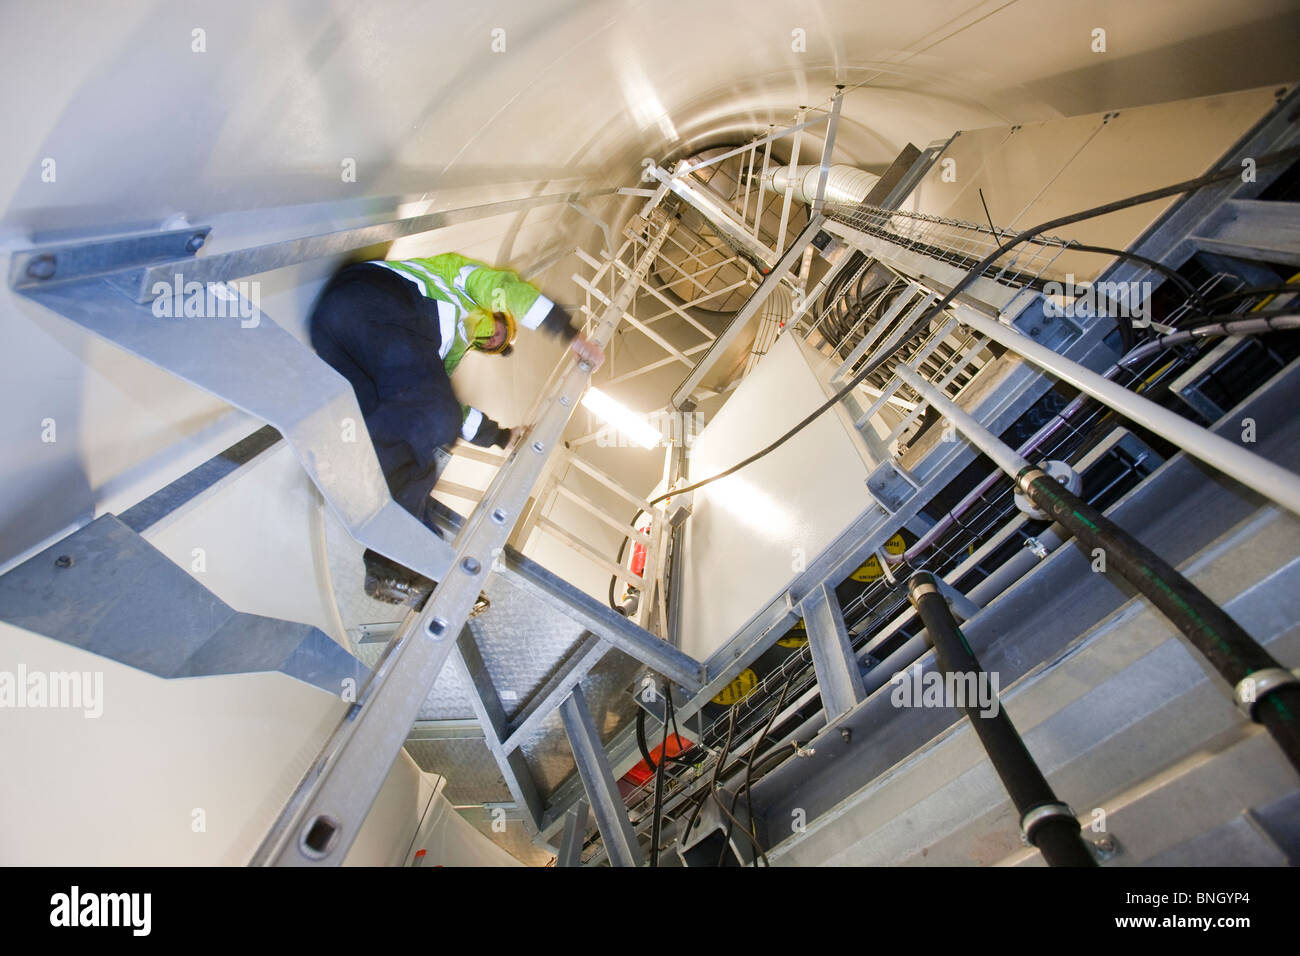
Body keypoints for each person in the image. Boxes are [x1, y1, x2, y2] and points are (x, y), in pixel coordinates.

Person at [309, 252, 604, 605]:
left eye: (496, 345)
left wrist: (502, 437)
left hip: (335, 336)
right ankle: (395, 559)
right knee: (432, 417)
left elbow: (448, 414)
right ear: (499, 316)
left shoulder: (440, 355)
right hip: (376, 296)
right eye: (500, 331)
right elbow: (503, 287)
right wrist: (569, 333)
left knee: (413, 439)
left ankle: (411, 563)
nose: (495, 339)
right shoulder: (461, 285)